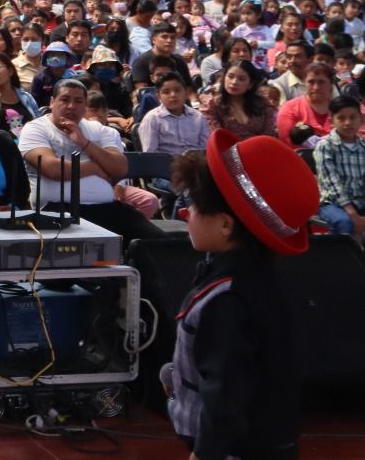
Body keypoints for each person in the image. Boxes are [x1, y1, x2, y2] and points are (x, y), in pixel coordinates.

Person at [160, 135, 317, 460]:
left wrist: (205, 454)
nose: (187, 213)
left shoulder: (226, 299)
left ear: (226, 225)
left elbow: (226, 394)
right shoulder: (256, 277)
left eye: (197, 207)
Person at [19, 79, 163, 243]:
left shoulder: (99, 130)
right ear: (52, 102)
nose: (71, 106)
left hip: (106, 208)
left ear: (85, 105)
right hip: (57, 209)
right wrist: (96, 168)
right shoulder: (35, 128)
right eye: (65, 100)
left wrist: (83, 142)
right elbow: (52, 169)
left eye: (78, 101)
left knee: (156, 243)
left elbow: (120, 168)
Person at [314, 94, 365, 239]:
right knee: (344, 222)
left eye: (352, 117)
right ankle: (338, 259)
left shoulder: (363, 146)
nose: (347, 123)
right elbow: (333, 183)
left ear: (361, 119)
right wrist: (352, 213)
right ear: (331, 121)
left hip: (360, 200)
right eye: (341, 118)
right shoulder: (325, 146)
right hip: (333, 203)